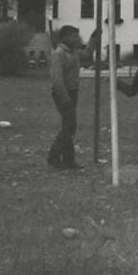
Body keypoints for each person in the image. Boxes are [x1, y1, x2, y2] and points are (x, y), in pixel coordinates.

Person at [47, 25, 84, 170]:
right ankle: (53, 156)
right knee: (69, 126)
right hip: (63, 93)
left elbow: (86, 54)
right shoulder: (59, 53)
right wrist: (65, 97)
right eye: (73, 36)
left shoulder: (73, 52)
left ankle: (69, 160)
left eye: (77, 36)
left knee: (69, 126)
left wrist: (94, 39)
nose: (76, 39)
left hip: (73, 92)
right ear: (64, 38)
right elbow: (57, 79)